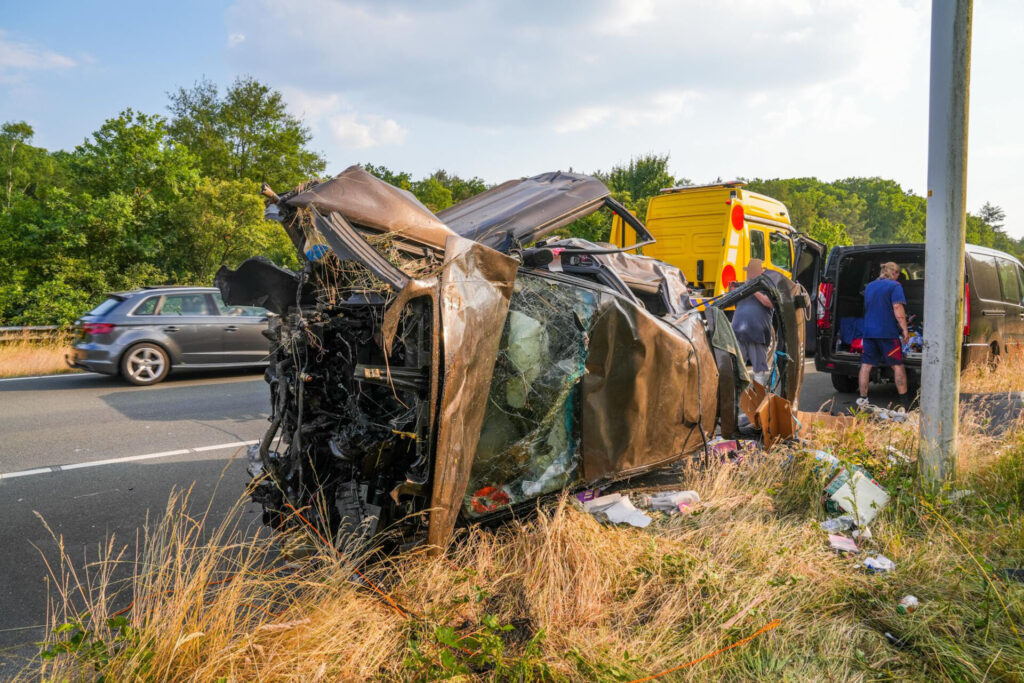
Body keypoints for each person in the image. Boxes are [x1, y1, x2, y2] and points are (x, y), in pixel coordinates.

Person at [859, 261, 911, 410]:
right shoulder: (895, 286)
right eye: (898, 274)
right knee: (897, 366)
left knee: (866, 365)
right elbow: (897, 307)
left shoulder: (869, 286)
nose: (898, 277)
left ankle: (863, 401)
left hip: (869, 333)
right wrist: (905, 330)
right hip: (887, 334)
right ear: (894, 272)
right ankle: (905, 403)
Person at [731, 258, 774, 386]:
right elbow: (735, 304)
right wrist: (733, 291)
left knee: (759, 369)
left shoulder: (767, 286)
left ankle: (758, 399)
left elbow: (770, 303)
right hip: (739, 333)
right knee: (736, 368)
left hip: (757, 334)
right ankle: (737, 399)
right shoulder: (743, 286)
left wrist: (753, 290)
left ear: (760, 272)